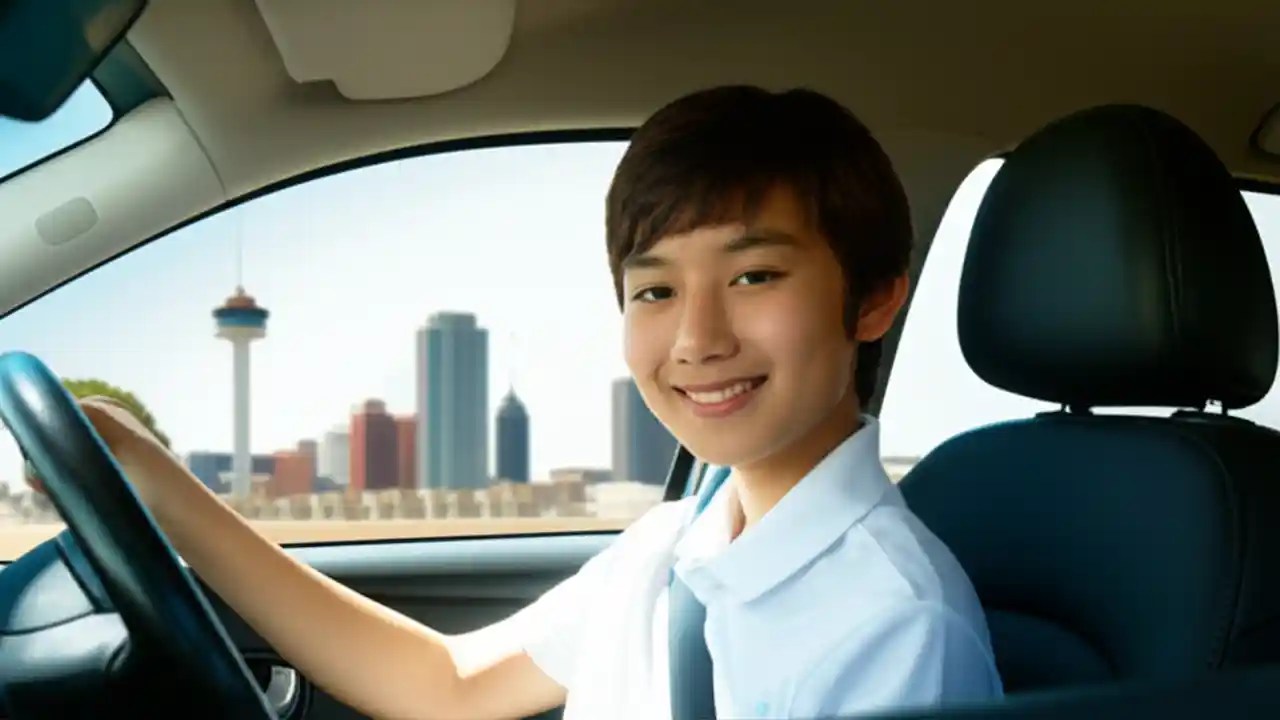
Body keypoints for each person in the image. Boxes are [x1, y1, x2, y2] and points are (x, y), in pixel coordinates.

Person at [52, 86, 1002, 719]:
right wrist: (154, 477)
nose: (696, 339)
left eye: (754, 276)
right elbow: (449, 684)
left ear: (875, 297)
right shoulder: (677, 543)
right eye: (656, 290)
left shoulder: (894, 624)